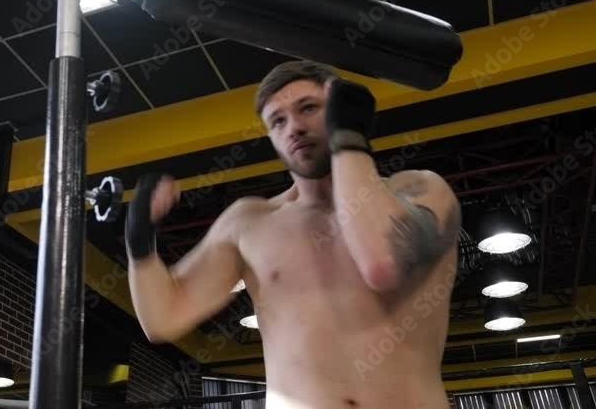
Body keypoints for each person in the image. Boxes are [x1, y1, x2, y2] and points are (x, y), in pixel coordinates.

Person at [125, 60, 462, 408]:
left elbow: (380, 263)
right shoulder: (248, 221)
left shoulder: (420, 190)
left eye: (308, 108)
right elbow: (163, 318)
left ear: (340, 106)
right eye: (278, 121)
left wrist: (348, 137)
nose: (295, 128)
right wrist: (139, 240)